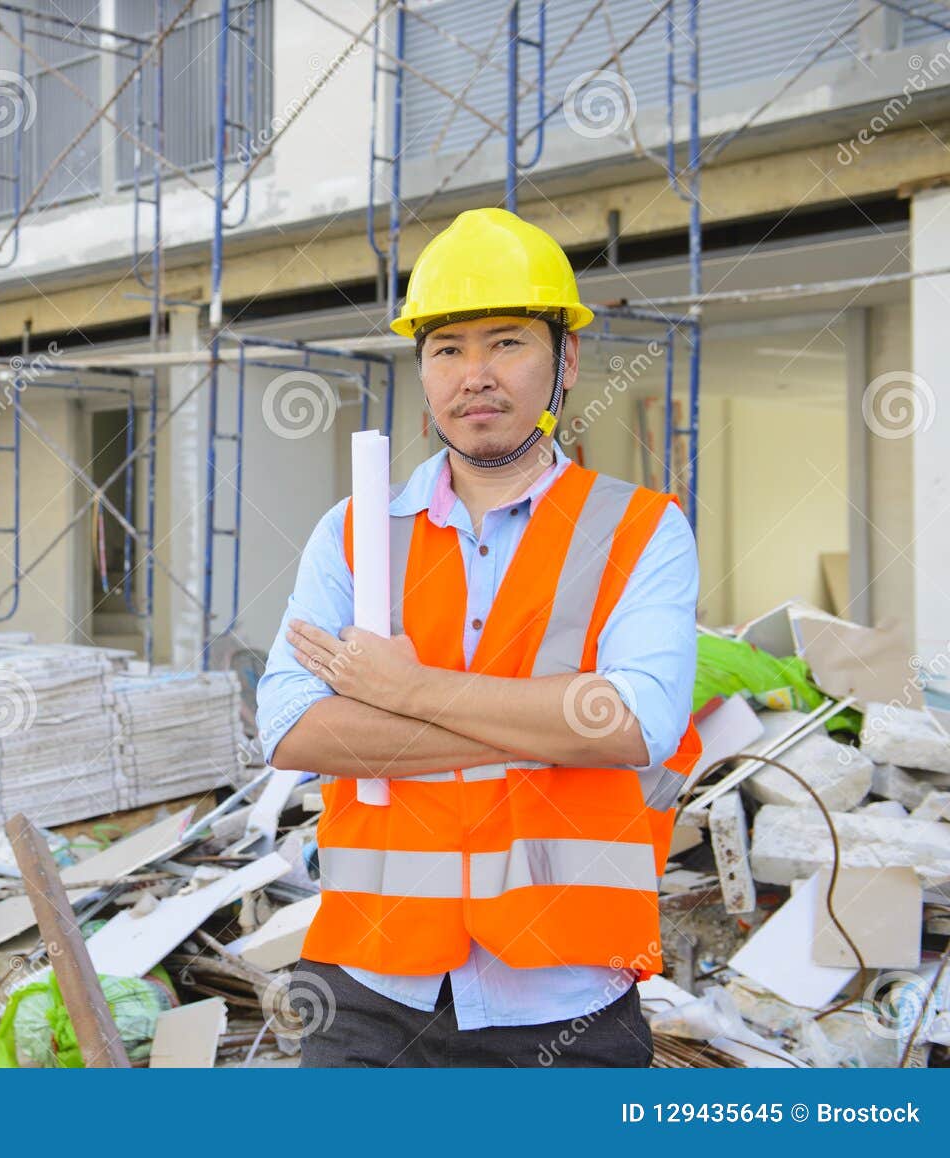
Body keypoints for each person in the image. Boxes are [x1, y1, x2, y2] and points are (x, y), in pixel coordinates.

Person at [255, 206, 701, 1068]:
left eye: (506, 342)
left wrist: (404, 690)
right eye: (447, 348)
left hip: (565, 1005)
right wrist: (540, 725)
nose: (475, 374)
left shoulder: (642, 530)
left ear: (565, 359)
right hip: (368, 993)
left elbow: (633, 725)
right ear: (423, 369)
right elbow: (289, 730)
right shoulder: (355, 530)